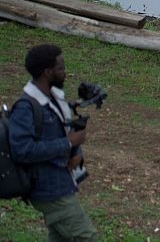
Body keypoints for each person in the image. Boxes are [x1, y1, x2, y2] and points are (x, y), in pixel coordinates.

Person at [9, 44, 98, 241]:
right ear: (47, 72)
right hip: (47, 188)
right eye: (60, 68)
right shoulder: (26, 107)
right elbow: (22, 150)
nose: (65, 73)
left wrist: (76, 152)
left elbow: (60, 135)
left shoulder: (53, 99)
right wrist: (67, 143)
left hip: (61, 181)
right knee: (86, 237)